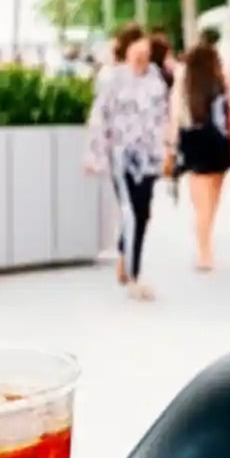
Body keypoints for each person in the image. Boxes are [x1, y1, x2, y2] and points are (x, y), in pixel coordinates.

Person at [84, 23, 171, 301]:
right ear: (126, 53)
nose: (141, 60)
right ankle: (135, 277)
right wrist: (95, 154)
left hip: (149, 156)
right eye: (137, 54)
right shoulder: (112, 79)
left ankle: (125, 252)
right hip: (121, 154)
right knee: (130, 211)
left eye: (145, 54)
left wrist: (168, 149)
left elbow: (163, 116)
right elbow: (99, 117)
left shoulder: (156, 79)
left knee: (143, 212)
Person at [171, 44, 230, 271]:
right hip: (218, 142)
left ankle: (204, 250)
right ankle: (205, 245)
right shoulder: (220, 80)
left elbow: (174, 114)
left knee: (201, 204)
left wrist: (171, 146)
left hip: (193, 140)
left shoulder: (185, 81)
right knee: (213, 200)